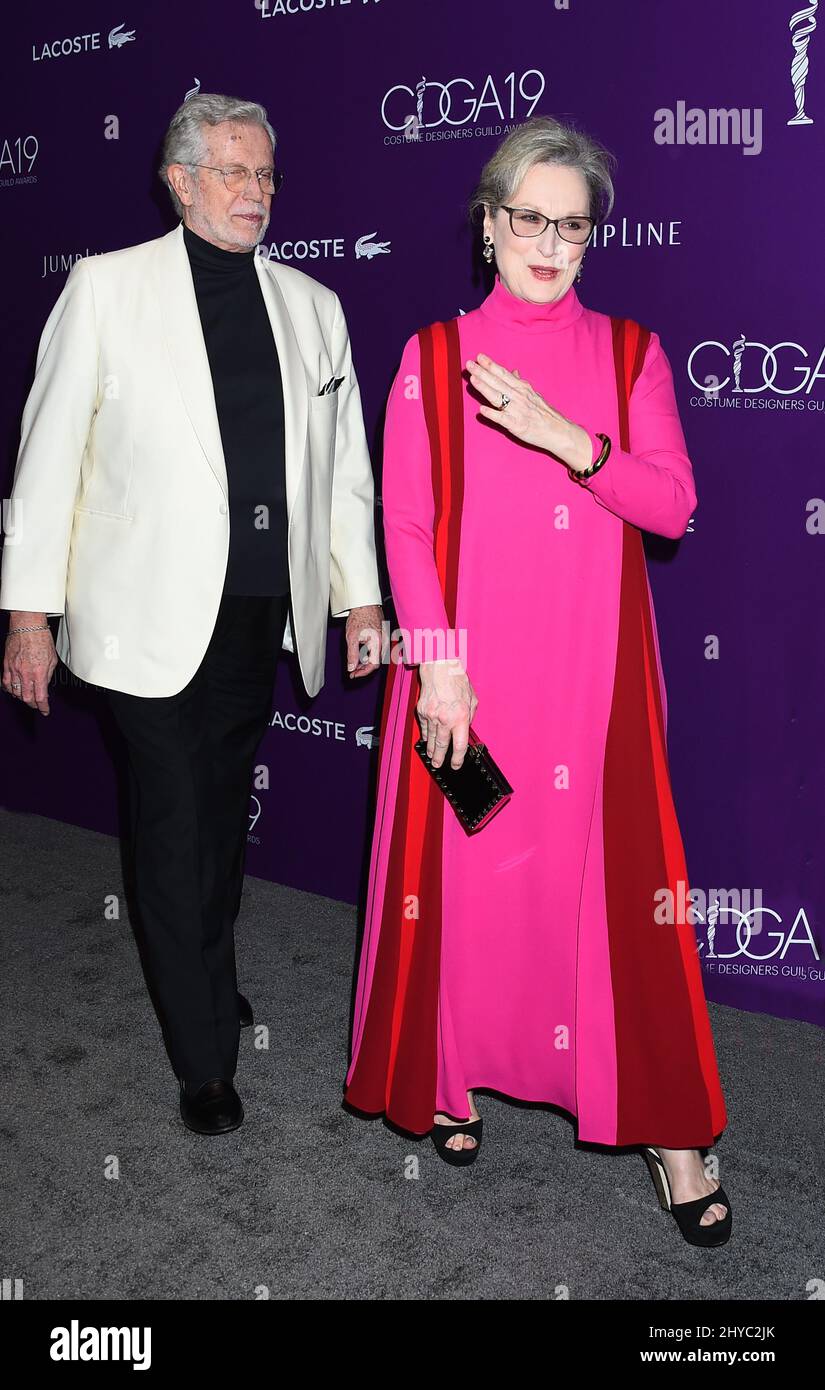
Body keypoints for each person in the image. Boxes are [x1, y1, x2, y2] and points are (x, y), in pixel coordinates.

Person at [344, 115, 731, 1248]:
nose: (551, 243)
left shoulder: (629, 354)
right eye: (531, 219)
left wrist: (572, 437)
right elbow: (406, 527)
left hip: (592, 676)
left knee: (612, 904)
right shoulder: (430, 355)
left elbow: (673, 504)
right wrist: (440, 671)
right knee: (462, 886)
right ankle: (451, 1074)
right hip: (466, 669)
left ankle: (673, 1131)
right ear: (490, 224)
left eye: (573, 224)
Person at [1, 92, 383, 1136]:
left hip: (259, 609)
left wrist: (361, 596)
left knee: (218, 815)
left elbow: (342, 473)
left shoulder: (315, 307)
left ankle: (201, 965)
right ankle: (205, 1054)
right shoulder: (107, 289)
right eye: (228, 172)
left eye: (263, 173)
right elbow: (46, 462)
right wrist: (28, 613)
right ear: (177, 182)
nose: (252, 192)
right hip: (135, 614)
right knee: (174, 820)